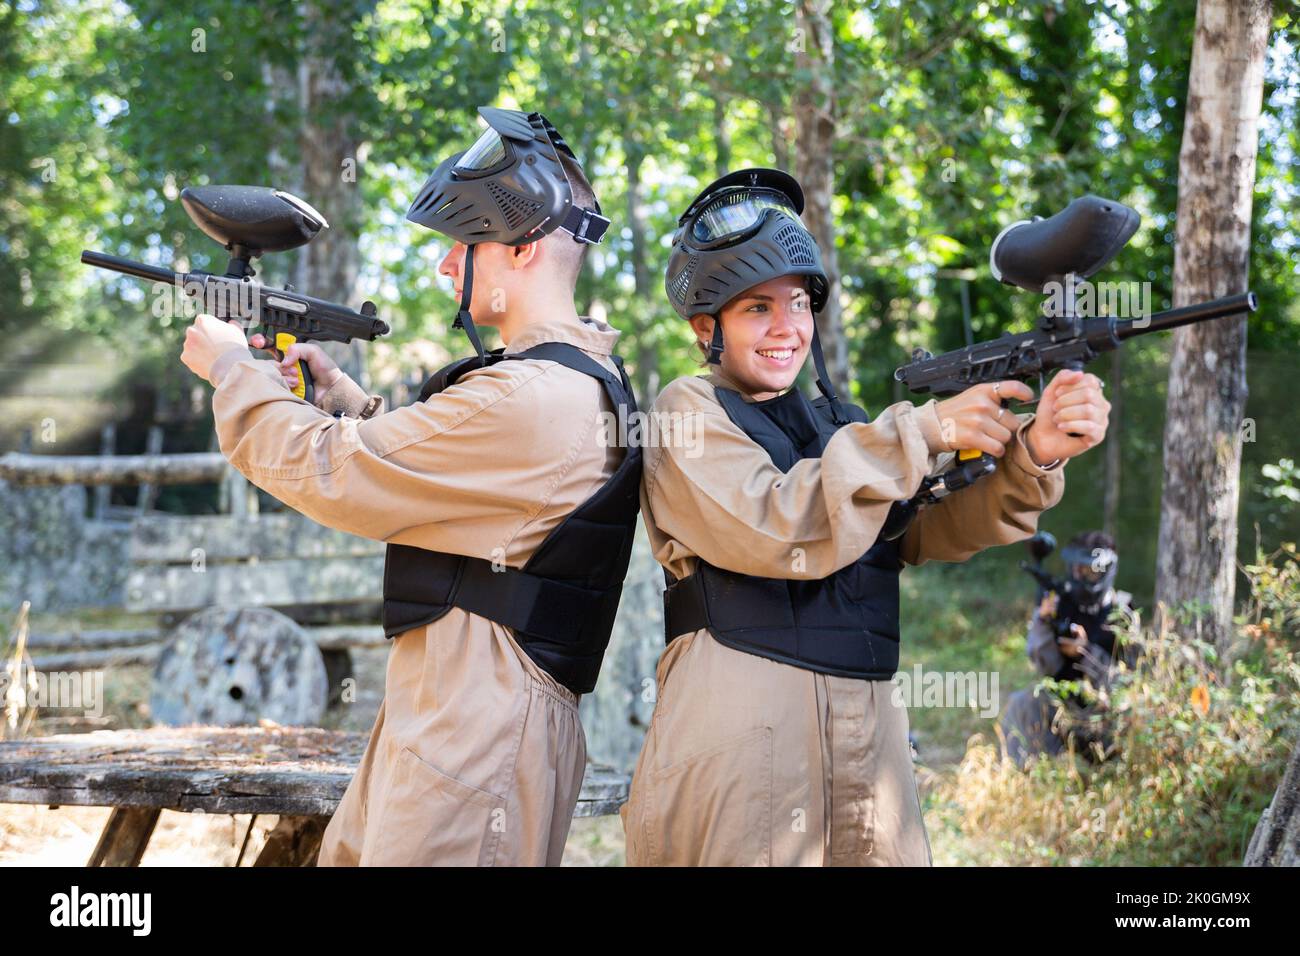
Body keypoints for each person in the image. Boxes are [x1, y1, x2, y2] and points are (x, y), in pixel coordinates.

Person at [179, 106, 641, 866]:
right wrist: (348, 404)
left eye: (465, 245)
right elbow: (470, 486)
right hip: (465, 715)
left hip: (474, 732)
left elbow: (334, 474)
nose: (447, 267)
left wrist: (231, 367)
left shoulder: (525, 395)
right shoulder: (569, 379)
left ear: (521, 248)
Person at [620, 168, 1111, 866]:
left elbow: (922, 533)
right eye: (757, 308)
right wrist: (923, 431)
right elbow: (776, 523)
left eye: (798, 304)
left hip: (870, 728)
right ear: (708, 327)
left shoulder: (844, 425)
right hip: (741, 735)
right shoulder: (685, 411)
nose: (787, 328)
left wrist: (1034, 451)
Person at [1000, 531, 1132, 768]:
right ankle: (1032, 775)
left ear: (1104, 570)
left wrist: (1087, 653)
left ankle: (1110, 772)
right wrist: (1043, 622)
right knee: (1022, 703)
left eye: (1088, 570)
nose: (1079, 575)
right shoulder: (1063, 603)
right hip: (1064, 709)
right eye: (1076, 568)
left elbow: (1126, 685)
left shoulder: (1123, 613)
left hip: (1105, 715)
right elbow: (1044, 666)